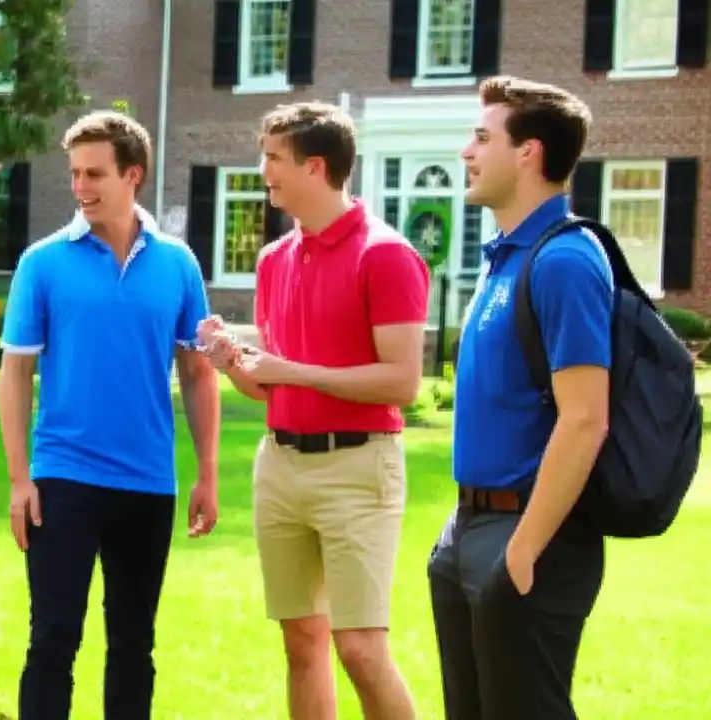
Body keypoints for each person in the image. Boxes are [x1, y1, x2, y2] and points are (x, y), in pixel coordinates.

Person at [200, 101, 426, 720]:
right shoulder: (274, 260)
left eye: (274, 157)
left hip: (358, 471)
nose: (263, 169)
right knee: (302, 642)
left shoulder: (385, 254)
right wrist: (232, 362)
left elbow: (403, 381)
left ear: (316, 166)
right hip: (280, 466)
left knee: (359, 649)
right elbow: (270, 386)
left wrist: (289, 371)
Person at [0, 109, 221, 719]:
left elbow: (198, 372)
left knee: (133, 646)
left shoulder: (178, 264)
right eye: (74, 173)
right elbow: (15, 373)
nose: (80, 186)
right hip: (63, 480)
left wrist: (207, 472)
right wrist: (21, 480)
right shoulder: (42, 263)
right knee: (52, 643)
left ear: (133, 176)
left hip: (149, 483)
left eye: (95, 173)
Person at [427, 75, 610, 719]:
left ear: (528, 153)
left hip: (531, 533)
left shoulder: (564, 261)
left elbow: (586, 419)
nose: (466, 152)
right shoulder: (504, 257)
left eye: (481, 137)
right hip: (468, 530)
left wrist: (524, 548)